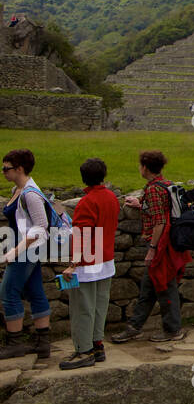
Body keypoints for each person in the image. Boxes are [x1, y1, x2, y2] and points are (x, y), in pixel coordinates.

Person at [114, 150, 191, 342]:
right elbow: (163, 210)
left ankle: (172, 329)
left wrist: (152, 249)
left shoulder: (154, 189)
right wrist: (141, 204)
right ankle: (135, 326)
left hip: (162, 247)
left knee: (165, 286)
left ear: (146, 168)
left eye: (141, 165)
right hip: (169, 245)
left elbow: (161, 222)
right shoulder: (166, 185)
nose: (139, 168)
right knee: (150, 287)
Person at [59, 158, 120, 369]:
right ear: (103, 175)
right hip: (105, 261)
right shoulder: (112, 197)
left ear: (83, 177)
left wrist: (72, 265)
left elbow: (81, 235)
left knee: (82, 308)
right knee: (99, 306)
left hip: (86, 264)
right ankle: (97, 345)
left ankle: (83, 351)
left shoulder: (87, 202)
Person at [0, 149, 52, 360]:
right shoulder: (18, 189)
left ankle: (15, 343)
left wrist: (15, 251)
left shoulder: (30, 193)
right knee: (34, 291)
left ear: (19, 169)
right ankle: (43, 343)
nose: (3, 172)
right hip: (27, 248)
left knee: (8, 291)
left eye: (6, 169)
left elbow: (41, 226)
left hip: (26, 250)